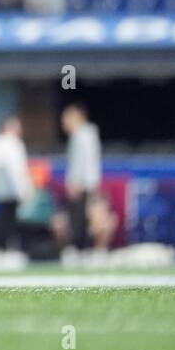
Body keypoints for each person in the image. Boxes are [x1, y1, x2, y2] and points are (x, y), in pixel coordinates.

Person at [0, 116, 33, 251]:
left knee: (4, 219)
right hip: (11, 189)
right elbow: (16, 170)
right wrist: (23, 190)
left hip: (0, 189)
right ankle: (2, 248)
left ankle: (1, 248)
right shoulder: (13, 143)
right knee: (8, 221)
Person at [62, 103, 102, 251]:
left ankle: (79, 248)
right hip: (86, 183)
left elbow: (82, 161)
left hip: (82, 184)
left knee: (81, 218)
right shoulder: (84, 134)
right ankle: (81, 248)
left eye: (67, 118)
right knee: (81, 217)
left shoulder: (82, 135)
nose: (64, 122)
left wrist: (76, 182)